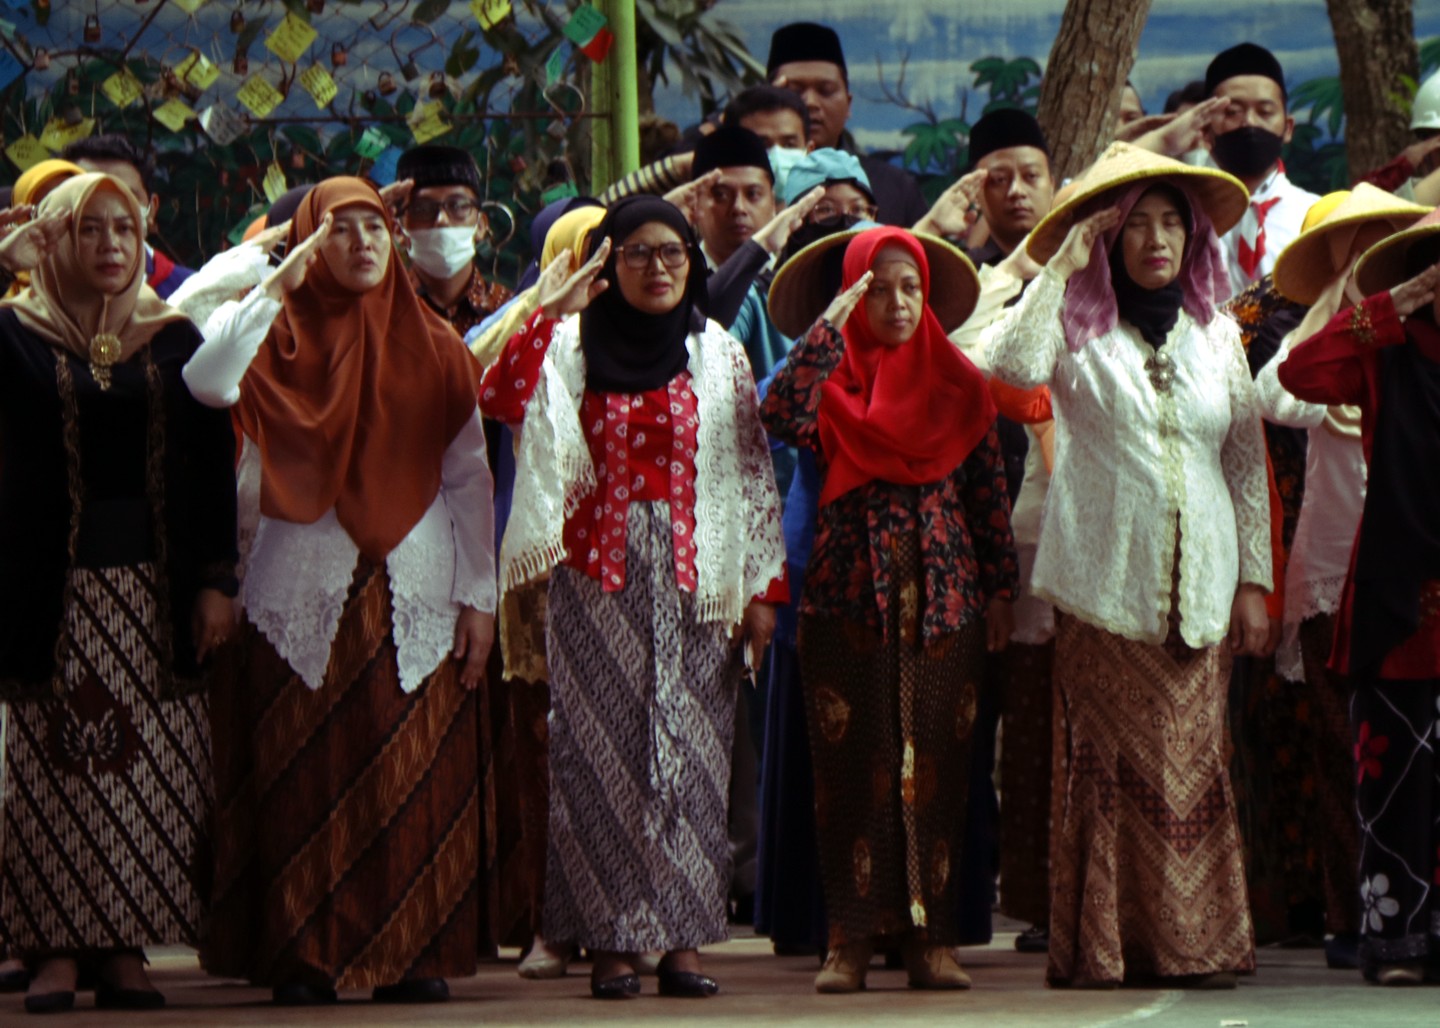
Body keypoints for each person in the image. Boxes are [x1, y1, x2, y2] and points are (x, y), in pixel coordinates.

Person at [185, 177, 496, 1006]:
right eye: (338, 230)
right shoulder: (271, 336)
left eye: (374, 228)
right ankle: (304, 954)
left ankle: (411, 949)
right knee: (302, 767)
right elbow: (207, 380)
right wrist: (273, 281)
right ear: (307, 240)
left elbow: (469, 477)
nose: (361, 244)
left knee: (412, 765)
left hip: (417, 585)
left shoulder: (435, 346)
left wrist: (481, 598)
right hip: (297, 583)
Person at [481, 195, 786, 999]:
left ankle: (683, 940)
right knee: (600, 762)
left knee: (692, 761)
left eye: (673, 254)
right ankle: (611, 945)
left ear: (692, 262)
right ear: (607, 265)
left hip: (699, 583)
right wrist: (550, 312)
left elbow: (750, 469)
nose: (657, 269)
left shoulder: (718, 352)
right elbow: (500, 398)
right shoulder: (572, 349)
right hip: (595, 582)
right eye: (637, 254)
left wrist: (760, 591)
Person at [990, 142, 1271, 988]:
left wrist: (1256, 579)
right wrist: (1063, 257)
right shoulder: (1077, 330)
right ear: (1111, 240)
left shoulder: (1218, 333)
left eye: (1171, 225)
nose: (1156, 240)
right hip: (1102, 584)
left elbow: (1246, 462)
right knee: (1112, 772)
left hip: (1207, 584)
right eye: (1136, 225)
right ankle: (1111, 947)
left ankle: (1198, 944)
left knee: (1195, 765)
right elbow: (1007, 368)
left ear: (1192, 240)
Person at [0, 172, 238, 1014]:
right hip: (43, 594)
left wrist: (214, 582)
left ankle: (125, 947)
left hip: (150, 592)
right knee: (51, 772)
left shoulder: (173, 340)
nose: (108, 248)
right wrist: (5, 268)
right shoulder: (16, 334)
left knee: (147, 774)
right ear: (53, 241)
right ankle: (54, 948)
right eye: (87, 231)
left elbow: (210, 468)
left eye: (124, 232)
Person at [762, 225, 1018, 992]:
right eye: (878, 288)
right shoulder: (828, 389)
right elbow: (777, 415)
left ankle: (931, 942)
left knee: (939, 775)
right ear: (852, 297)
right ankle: (849, 942)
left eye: (910, 287)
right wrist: (827, 330)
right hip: (846, 604)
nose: (898, 302)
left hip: (947, 608)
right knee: (851, 773)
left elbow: (988, 500)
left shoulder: (961, 383)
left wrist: (1001, 592)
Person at [1253, 184, 1430, 969]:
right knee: (1393, 780)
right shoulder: (1385, 348)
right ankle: (1395, 935)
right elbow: (1299, 372)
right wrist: (1400, 302)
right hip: (1394, 599)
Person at [766, 22, 929, 227]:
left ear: (848, 104)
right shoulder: (747, 187)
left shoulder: (895, 187)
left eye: (825, 90)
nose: (810, 103)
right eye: (794, 91)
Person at [1203, 43, 1319, 296]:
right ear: (1205, 131)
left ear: (1288, 128)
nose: (1249, 123)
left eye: (1265, 111)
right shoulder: (1182, 221)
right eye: (1232, 112)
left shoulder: (1317, 218)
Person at [394, 144, 511, 337]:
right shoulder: (381, 312)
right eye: (423, 208)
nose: (442, 220)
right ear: (398, 229)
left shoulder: (508, 312)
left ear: (481, 225)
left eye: (457, 205)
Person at [62, 135, 194, 299]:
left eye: (125, 196)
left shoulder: (195, 292)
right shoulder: (35, 299)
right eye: (91, 196)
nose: (109, 211)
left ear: (152, 209)